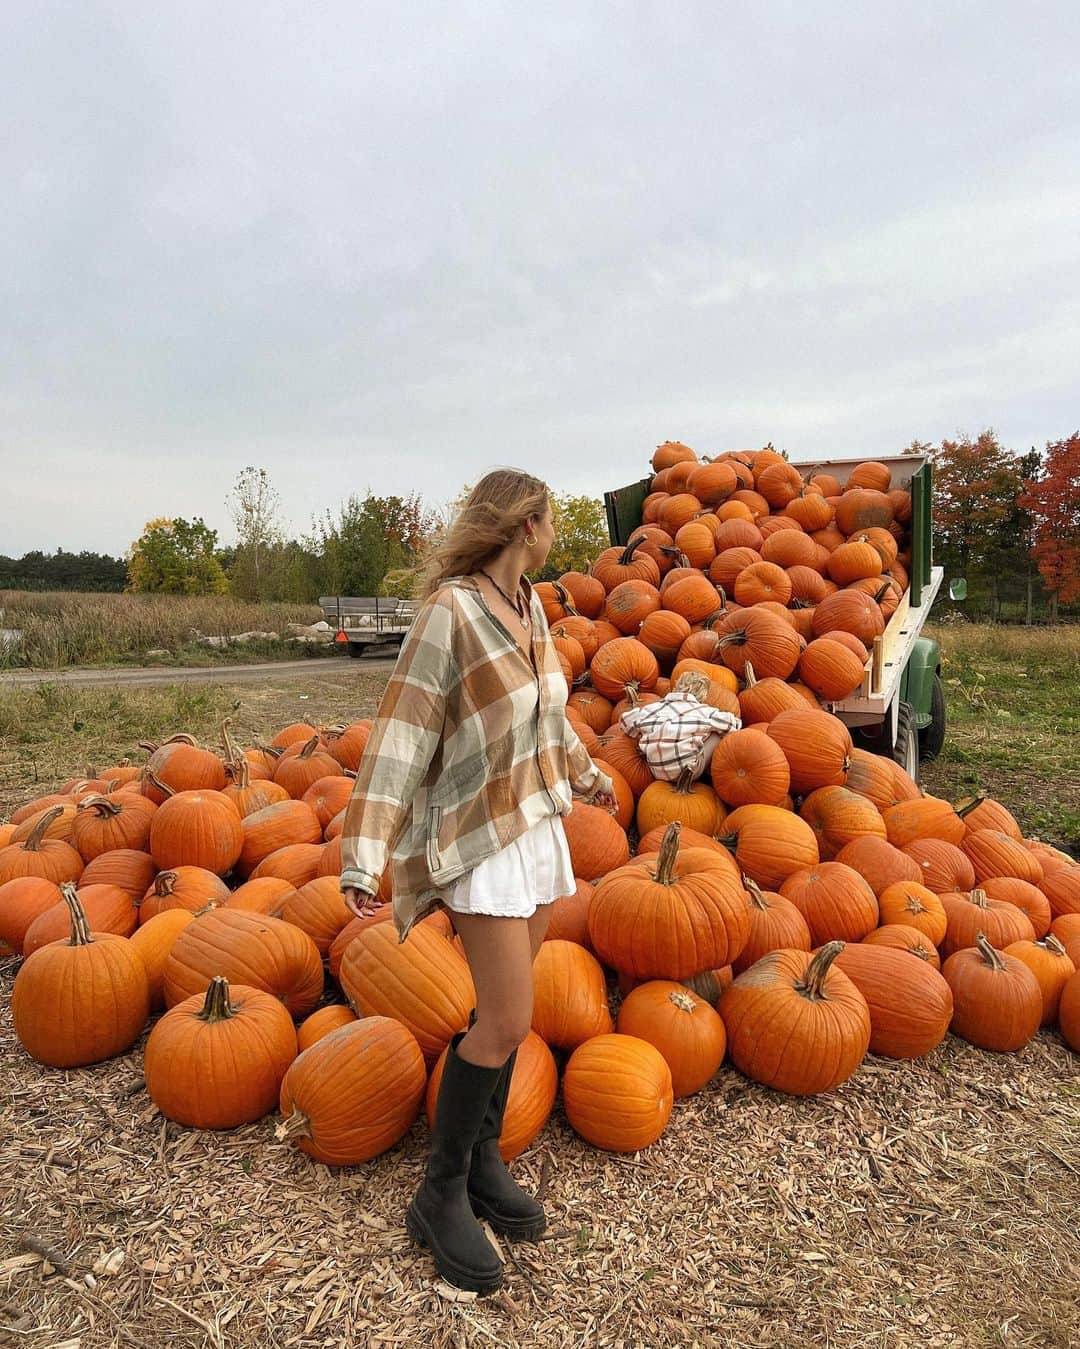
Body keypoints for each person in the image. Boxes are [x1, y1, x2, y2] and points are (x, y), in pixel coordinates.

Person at [339, 468, 616, 1296]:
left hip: (534, 827)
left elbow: (544, 716)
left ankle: (483, 1159)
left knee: (503, 1012)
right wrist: (366, 850)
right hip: (478, 841)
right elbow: (402, 728)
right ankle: (439, 1193)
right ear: (524, 521)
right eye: (550, 518)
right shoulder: (450, 612)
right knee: (506, 1020)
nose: (555, 530)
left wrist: (585, 771)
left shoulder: (529, 605)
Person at [619, 670, 741, 782]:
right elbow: (732, 723)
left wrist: (642, 731)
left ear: (676, 686)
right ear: (702, 695)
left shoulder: (654, 708)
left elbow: (624, 721)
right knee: (719, 733)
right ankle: (711, 776)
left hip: (656, 771)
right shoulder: (704, 711)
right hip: (688, 772)